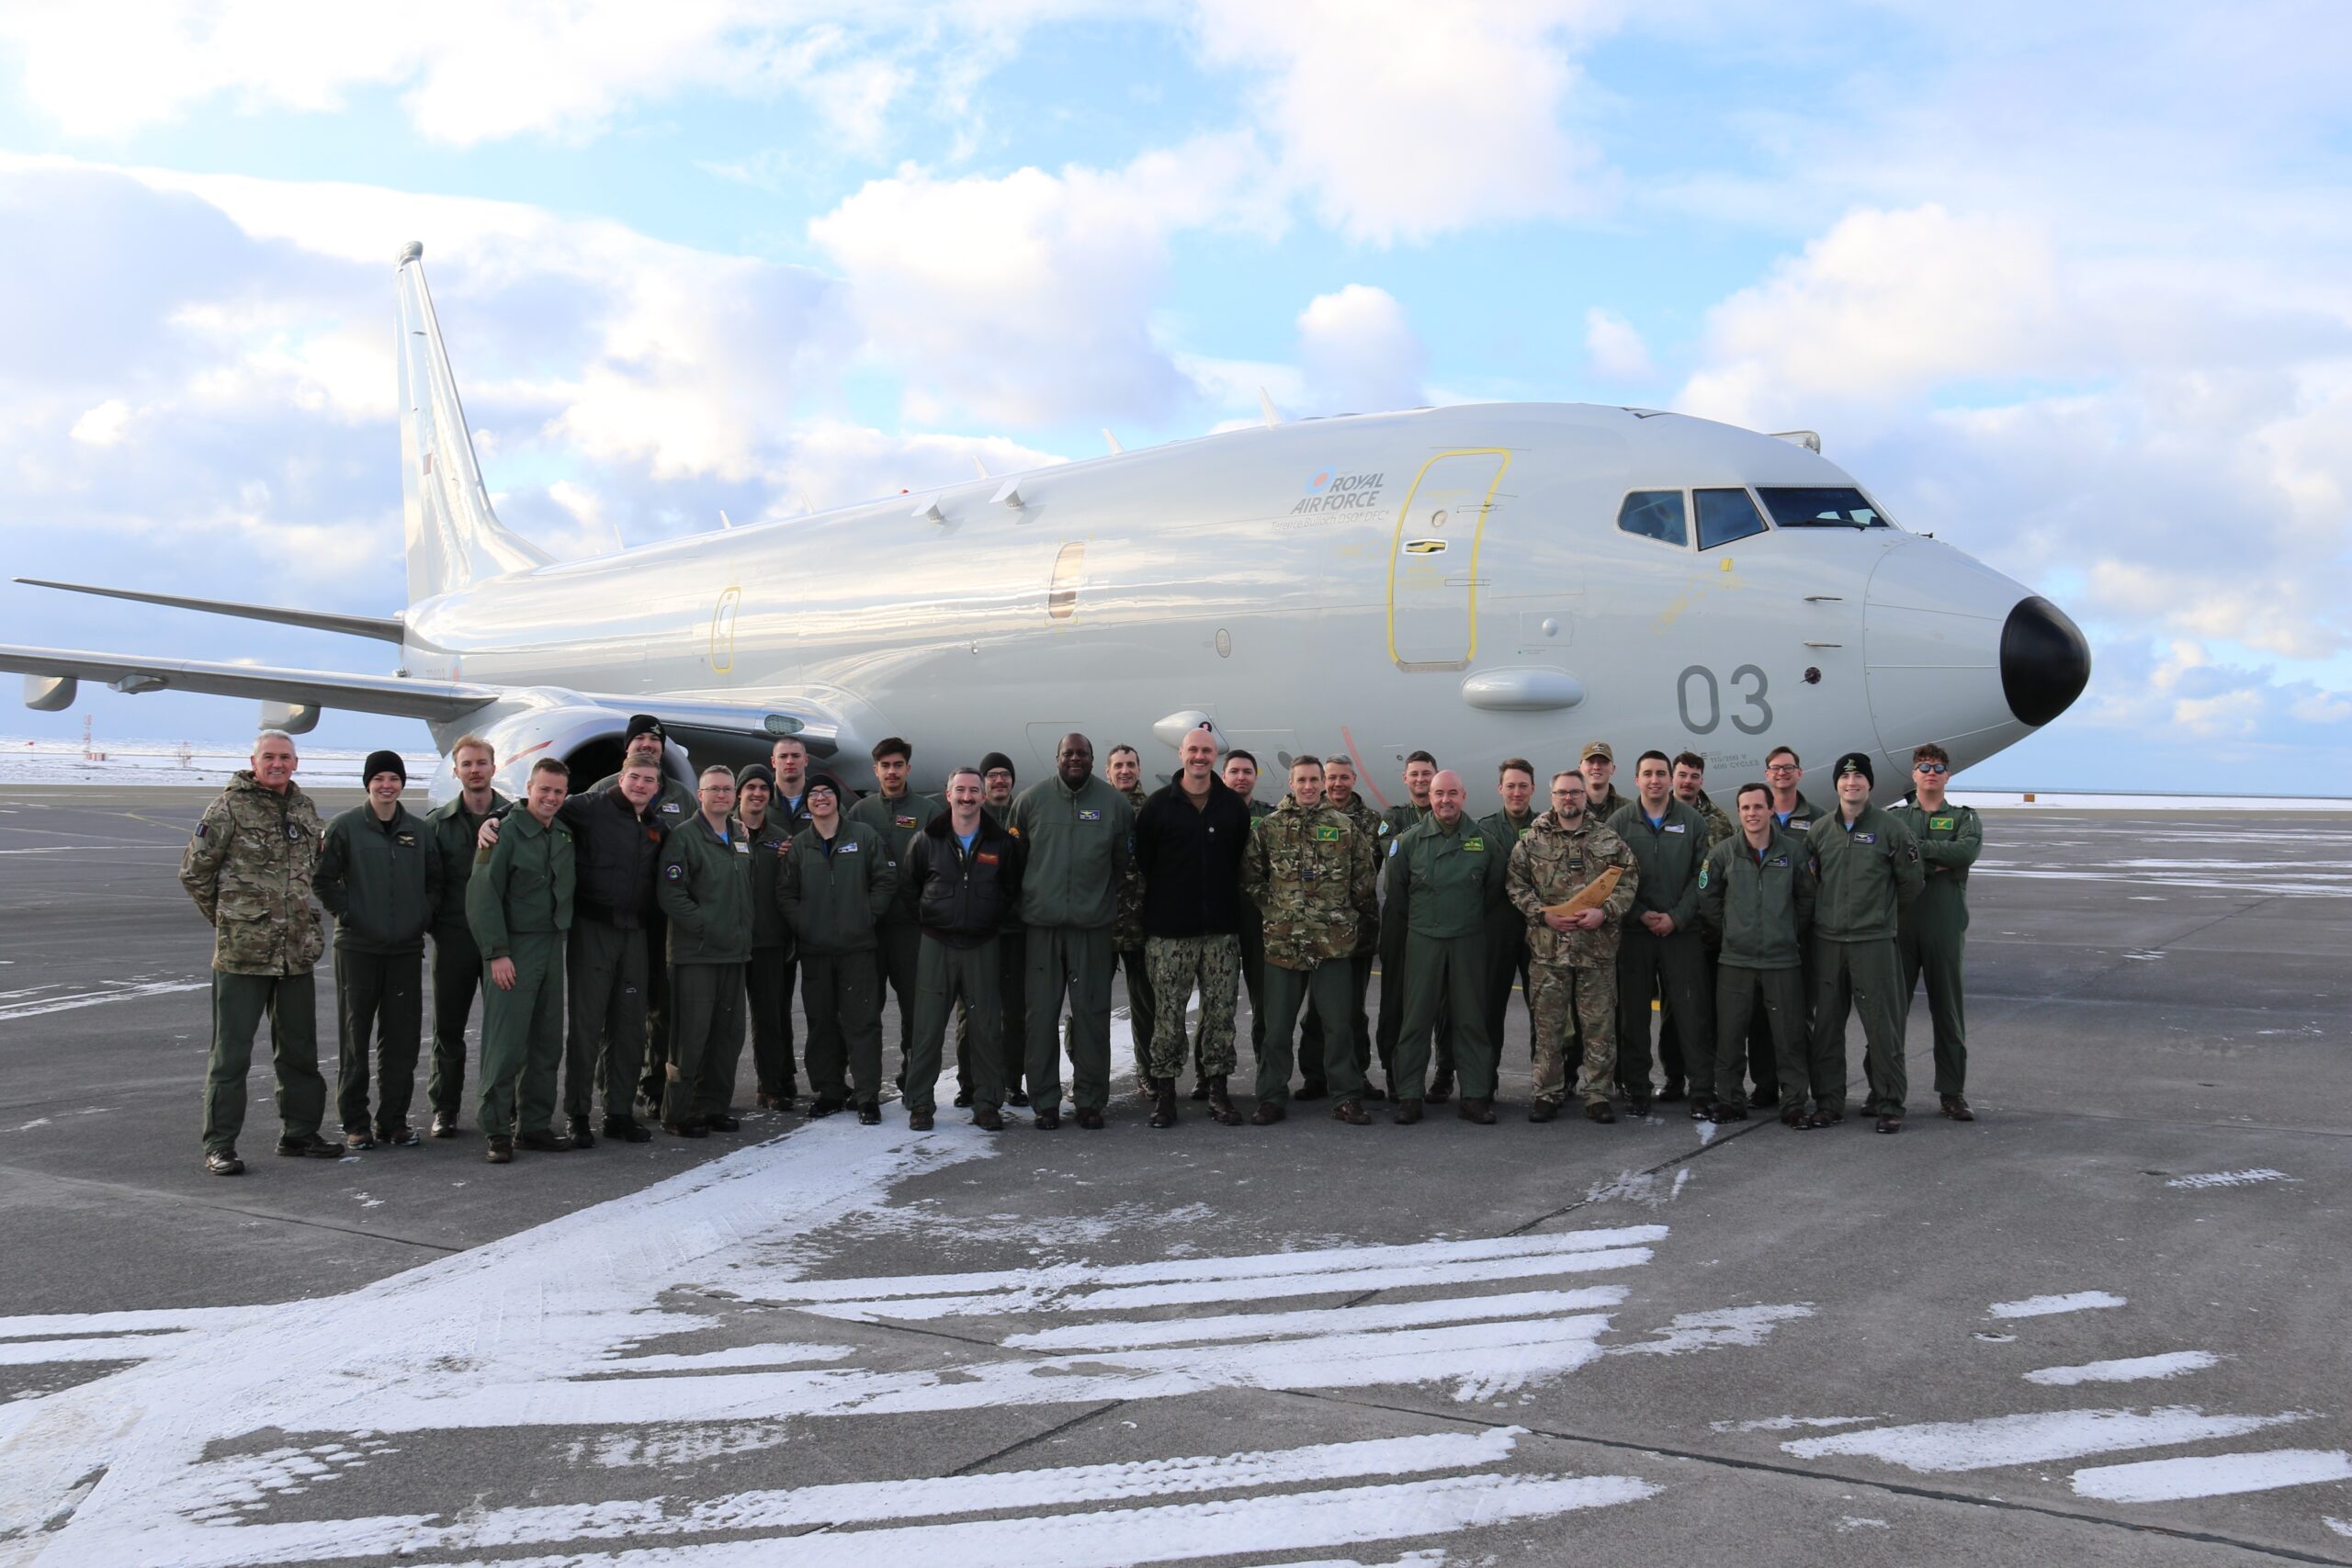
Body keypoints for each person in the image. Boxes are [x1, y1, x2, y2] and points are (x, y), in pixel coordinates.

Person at [477, 754, 668, 1144]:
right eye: (634, 777)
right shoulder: (590, 806)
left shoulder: (656, 826)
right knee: (584, 1025)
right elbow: (540, 805)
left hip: (634, 934)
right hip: (591, 929)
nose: (641, 785)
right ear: (620, 776)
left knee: (629, 1028)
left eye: (649, 780)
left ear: (657, 787)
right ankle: (577, 1113)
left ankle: (617, 1112)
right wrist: (496, 816)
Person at [179, 729, 339, 1174]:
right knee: (231, 1055)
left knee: (300, 1051)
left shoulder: (305, 808)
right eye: (269, 757)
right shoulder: (229, 806)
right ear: (254, 761)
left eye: (285, 757)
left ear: (296, 762)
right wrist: (233, 921)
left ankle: (300, 1133)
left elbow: (311, 872)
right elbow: (195, 872)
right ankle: (220, 1144)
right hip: (242, 958)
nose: (277, 764)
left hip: (295, 954)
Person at [1240, 756, 1378, 1125]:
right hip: (1284, 944)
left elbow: (1364, 881)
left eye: (1313, 780)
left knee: (1338, 1025)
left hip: (1332, 944)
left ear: (1321, 783)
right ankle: (1271, 1097)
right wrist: (1275, 910)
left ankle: (1346, 1097)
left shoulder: (1345, 827)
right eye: (1301, 780)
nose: (1307, 786)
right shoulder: (1269, 828)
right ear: (1290, 782)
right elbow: (1251, 877)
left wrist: (1347, 919)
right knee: (1277, 1027)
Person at [1010, 732, 1136, 1131]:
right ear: (1057, 757)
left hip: (1091, 929)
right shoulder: (1030, 801)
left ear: (1092, 759)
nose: (1075, 759)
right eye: (1069, 753)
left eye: (1082, 753)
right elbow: (1016, 861)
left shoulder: (1114, 803)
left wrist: (1092, 901)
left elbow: (1121, 864)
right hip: (1042, 929)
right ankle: (1045, 1101)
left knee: (1092, 1017)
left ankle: (1090, 1101)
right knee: (1041, 1018)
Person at [315, 749, 439, 1150]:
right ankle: (356, 1122)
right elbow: (324, 880)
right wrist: (350, 914)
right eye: (379, 779)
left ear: (403, 784)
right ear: (368, 783)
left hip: (404, 949)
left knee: (401, 1040)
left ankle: (394, 1120)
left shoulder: (419, 833)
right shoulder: (344, 827)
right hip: (357, 949)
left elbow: (435, 883)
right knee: (356, 1037)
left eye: (394, 779)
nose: (387, 786)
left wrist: (420, 917)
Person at [1134, 728, 1253, 1127]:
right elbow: (1145, 863)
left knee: (1220, 1014)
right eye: (1193, 750)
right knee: (1167, 1015)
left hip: (1220, 931)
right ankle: (1165, 1094)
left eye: (1207, 751)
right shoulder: (1157, 808)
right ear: (1181, 753)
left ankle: (1217, 1091)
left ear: (1215, 756)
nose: (1200, 757)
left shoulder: (1232, 808)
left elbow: (1238, 861)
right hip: (1170, 933)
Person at [1508, 771, 1640, 1122]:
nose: (1569, 799)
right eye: (1562, 793)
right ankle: (1547, 1092)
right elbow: (1516, 885)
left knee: (1599, 1026)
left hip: (1596, 950)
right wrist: (1542, 915)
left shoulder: (1608, 839)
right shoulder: (1531, 840)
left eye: (1575, 793)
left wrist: (1605, 912)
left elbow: (1628, 882)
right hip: (1548, 951)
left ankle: (1597, 1094)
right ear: (1552, 795)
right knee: (1548, 1027)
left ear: (1585, 797)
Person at [1805, 752, 1925, 1133]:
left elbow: (1911, 883)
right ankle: (1828, 1103)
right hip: (1828, 943)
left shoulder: (1892, 830)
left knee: (1882, 1026)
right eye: (1844, 778)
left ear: (1869, 784)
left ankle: (1889, 1103)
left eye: (1858, 779)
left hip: (1873, 943)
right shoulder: (1820, 831)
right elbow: (1811, 884)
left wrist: (1880, 915)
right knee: (1826, 1027)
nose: (1851, 784)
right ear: (1837, 784)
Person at [467, 757, 577, 1164]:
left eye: (558, 792)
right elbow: (482, 896)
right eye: (544, 789)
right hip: (514, 947)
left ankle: (534, 1125)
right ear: (529, 788)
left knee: (546, 1043)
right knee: (507, 1042)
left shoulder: (564, 833)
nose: (550, 798)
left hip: (551, 944)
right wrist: (496, 953)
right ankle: (496, 1129)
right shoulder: (504, 832)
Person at [905, 766, 1024, 1130]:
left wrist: (986, 920)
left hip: (982, 945)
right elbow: (910, 888)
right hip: (937, 944)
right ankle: (921, 1104)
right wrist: (932, 918)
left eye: (974, 790)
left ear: (984, 797)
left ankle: (987, 1102)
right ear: (949, 795)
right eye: (960, 790)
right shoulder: (927, 839)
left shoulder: (1000, 842)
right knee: (927, 1028)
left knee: (986, 1027)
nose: (967, 797)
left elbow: (1011, 890)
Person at [1386, 770, 1509, 1124]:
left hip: (1468, 939)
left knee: (1471, 1020)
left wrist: (1464, 919)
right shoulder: (1408, 842)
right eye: (1439, 793)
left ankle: (1474, 1096)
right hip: (1424, 939)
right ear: (1430, 795)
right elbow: (1398, 895)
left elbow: (1493, 890)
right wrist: (1427, 921)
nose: (1445, 800)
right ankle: (1409, 1096)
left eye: (1452, 793)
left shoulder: (1484, 843)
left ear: (1464, 796)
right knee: (1416, 1020)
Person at [778, 773, 898, 1122]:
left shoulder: (863, 837)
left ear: (837, 799)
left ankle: (866, 1096)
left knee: (862, 1022)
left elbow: (885, 880)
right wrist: (804, 923)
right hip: (815, 951)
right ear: (807, 804)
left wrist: (865, 915)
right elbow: (785, 893)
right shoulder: (800, 846)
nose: (820, 798)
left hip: (857, 948)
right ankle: (829, 1091)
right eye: (813, 794)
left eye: (826, 792)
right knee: (821, 1024)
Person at [592, 716, 695, 1117]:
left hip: (665, 918)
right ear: (626, 747)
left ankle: (652, 1085)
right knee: (617, 1005)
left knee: (662, 1006)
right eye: (640, 738)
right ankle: (610, 1085)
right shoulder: (603, 790)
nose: (648, 745)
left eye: (655, 739)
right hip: (617, 917)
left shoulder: (682, 796)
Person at [1697, 783, 1815, 1128]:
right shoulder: (1722, 853)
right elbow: (1707, 897)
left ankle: (1793, 1103)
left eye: (1758, 807)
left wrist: (1787, 930)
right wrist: (1732, 931)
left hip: (1782, 962)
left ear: (1769, 810)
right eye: (1745, 808)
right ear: (1739, 812)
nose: (1751, 814)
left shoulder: (1793, 853)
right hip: (1736, 961)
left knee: (1789, 1037)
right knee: (1730, 1036)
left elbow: (1807, 898)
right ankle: (1731, 1100)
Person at [1608, 750, 1714, 1113]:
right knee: (1633, 1016)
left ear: (1670, 779)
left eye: (1660, 773)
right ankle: (1637, 1088)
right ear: (1636, 780)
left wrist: (1677, 917)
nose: (1654, 780)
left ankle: (1700, 1089)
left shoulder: (1693, 821)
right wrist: (1640, 914)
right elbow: (1611, 877)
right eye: (1647, 774)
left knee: (1690, 1013)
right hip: (1634, 935)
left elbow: (1701, 877)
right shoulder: (1619, 822)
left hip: (1680, 934)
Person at [656, 765, 754, 1137]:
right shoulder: (683, 838)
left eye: (728, 790)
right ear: (700, 795)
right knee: (690, 1038)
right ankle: (678, 1113)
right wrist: (706, 925)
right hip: (695, 955)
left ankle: (713, 1106)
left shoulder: (738, 837)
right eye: (714, 789)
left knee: (727, 1036)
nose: (722, 795)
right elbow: (671, 894)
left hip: (734, 953)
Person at [1889, 742, 1983, 1121]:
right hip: (1902, 924)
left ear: (1948, 775)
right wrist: (1936, 858)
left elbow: (1965, 854)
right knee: (1892, 1013)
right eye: (1924, 767)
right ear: (1913, 775)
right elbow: (1890, 857)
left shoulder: (1964, 818)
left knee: (1949, 1011)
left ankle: (1952, 1093)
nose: (1931, 772)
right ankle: (1885, 1089)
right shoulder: (1894, 818)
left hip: (1944, 926)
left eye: (1938, 768)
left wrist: (1917, 856)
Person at [423, 737, 508, 1137]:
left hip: (502, 944)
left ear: (494, 768)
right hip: (454, 940)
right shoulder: (437, 824)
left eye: (482, 763)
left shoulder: (514, 818)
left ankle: (502, 1105)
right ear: (456, 771)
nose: (475, 770)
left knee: (503, 1030)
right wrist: (434, 924)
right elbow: (426, 882)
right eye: (467, 764)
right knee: (449, 1030)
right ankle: (446, 1107)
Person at [849, 737, 940, 1089]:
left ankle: (915, 1080)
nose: (891, 772)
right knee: (865, 1011)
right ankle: (866, 1085)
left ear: (908, 769)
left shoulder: (927, 812)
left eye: (898, 765)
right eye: (885, 766)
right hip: (870, 930)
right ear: (875, 770)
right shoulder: (860, 813)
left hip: (911, 930)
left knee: (917, 1012)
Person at [1300, 754, 1385, 1099]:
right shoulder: (1308, 816)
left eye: (1344, 777)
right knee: (1317, 1009)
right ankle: (1314, 1075)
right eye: (1331, 777)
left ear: (1354, 779)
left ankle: (1355, 1073)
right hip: (1314, 930)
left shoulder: (1371, 820)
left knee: (1353, 1009)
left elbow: (1371, 872)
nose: (1337, 784)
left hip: (1357, 928)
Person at [956, 751, 1029, 1108]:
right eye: (993, 775)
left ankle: (1013, 1081)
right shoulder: (970, 818)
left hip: (1015, 932)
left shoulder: (1025, 816)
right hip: (976, 932)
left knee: (1014, 1012)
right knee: (971, 1010)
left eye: (1005, 774)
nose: (999, 780)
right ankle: (968, 1082)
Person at [1374, 750, 1441, 1098]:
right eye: (1414, 774)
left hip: (1437, 917)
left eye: (1426, 773)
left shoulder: (1449, 813)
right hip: (1401, 917)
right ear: (1405, 779)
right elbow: (1395, 854)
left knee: (1438, 1002)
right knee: (1395, 1000)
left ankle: (1440, 1073)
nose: (1420, 779)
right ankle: (1393, 1070)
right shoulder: (1394, 816)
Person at [737, 764, 800, 1115]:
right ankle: (709, 1089)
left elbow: (791, 888)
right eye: (751, 787)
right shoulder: (723, 831)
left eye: (763, 788)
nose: (758, 793)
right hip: (730, 941)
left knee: (771, 1018)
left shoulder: (780, 838)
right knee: (725, 1019)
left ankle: (772, 1085)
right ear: (739, 793)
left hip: (769, 941)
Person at [1478, 759, 1540, 1070]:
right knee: (1490, 1009)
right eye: (1511, 786)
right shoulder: (1483, 829)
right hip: (1497, 929)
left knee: (1544, 1013)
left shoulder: (1547, 826)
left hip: (1538, 931)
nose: (1517, 792)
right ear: (1500, 788)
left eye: (1523, 786)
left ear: (1533, 789)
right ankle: (1484, 1085)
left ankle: (1546, 1086)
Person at [1103, 744, 1153, 1095]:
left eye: (1131, 764)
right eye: (1118, 765)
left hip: (1144, 922)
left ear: (1139, 768)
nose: (1125, 770)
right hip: (1101, 922)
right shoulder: (1096, 806)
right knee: (1089, 1006)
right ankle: (1087, 1075)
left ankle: (1148, 1072)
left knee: (1146, 1005)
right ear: (1108, 771)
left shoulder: (1155, 808)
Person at [1222, 749, 1270, 1094]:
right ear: (1224, 776)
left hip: (1257, 916)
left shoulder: (1270, 817)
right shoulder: (1208, 810)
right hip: (1219, 914)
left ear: (1256, 776)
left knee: (1263, 1000)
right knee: (1217, 1002)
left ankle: (1267, 1076)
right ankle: (1212, 1078)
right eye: (1234, 771)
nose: (1241, 777)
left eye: (1247, 772)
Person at [1673, 752, 1735, 848]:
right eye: (1682, 775)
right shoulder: (1657, 817)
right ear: (1672, 778)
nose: (1688, 781)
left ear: (1701, 781)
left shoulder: (1719, 820)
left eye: (1694, 776)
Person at [1580, 741, 1626, 820]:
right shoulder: (1569, 808)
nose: (1596, 767)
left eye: (1604, 762)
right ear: (1579, 769)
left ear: (1613, 768)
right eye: (1590, 762)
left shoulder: (1628, 809)